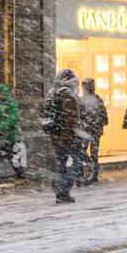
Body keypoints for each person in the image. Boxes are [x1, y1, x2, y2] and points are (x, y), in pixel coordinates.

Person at [44, 68, 81, 204]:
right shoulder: (69, 96)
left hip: (56, 136)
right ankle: (63, 189)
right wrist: (77, 133)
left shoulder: (52, 93)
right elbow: (72, 119)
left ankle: (59, 189)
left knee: (61, 164)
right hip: (70, 137)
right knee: (77, 162)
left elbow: (46, 116)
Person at [77, 77, 107, 185]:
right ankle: (92, 170)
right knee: (85, 151)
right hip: (90, 130)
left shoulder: (87, 99)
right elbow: (103, 114)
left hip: (89, 130)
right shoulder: (92, 99)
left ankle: (91, 172)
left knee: (88, 151)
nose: (83, 87)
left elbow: (102, 113)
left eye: (85, 85)